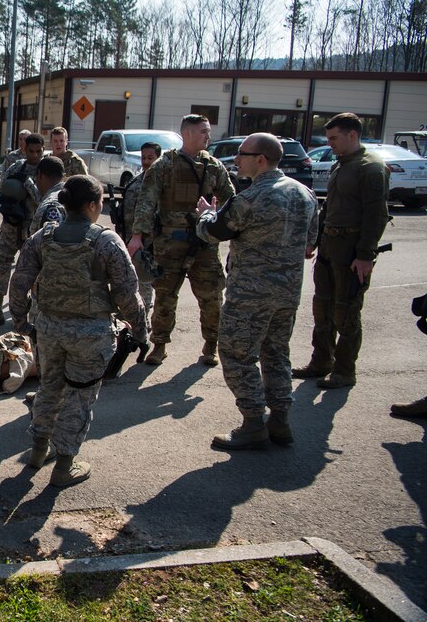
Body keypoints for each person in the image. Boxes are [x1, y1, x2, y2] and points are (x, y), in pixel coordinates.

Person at [10, 175, 147, 488]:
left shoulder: (42, 238)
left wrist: (22, 323)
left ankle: (37, 451)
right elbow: (128, 292)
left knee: (49, 388)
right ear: (92, 205)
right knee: (80, 397)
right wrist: (140, 330)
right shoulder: (105, 240)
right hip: (90, 334)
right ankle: (64, 466)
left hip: (47, 329)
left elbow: (19, 284)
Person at [194, 133, 319, 449]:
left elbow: (212, 233)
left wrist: (206, 214)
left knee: (237, 355)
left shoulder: (251, 198)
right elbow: (310, 243)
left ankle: (252, 424)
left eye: (241, 154)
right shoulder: (305, 194)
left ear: (260, 159)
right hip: (288, 294)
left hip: (251, 295)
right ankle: (280, 421)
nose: (236, 160)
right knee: (276, 354)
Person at [127, 114, 235, 366]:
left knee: (211, 297)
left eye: (208, 132)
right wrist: (137, 237)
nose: (208, 137)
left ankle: (211, 345)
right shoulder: (165, 165)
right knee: (165, 295)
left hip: (204, 243)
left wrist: (224, 224)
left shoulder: (214, 167)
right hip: (171, 242)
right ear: (186, 134)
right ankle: (160, 345)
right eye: (203, 132)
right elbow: (146, 200)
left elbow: (232, 201)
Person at [292, 112, 390, 389]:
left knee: (346, 312)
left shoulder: (370, 168)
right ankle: (321, 361)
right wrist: (316, 239)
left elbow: (376, 215)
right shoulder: (342, 164)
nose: (330, 143)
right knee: (322, 307)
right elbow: (330, 207)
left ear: (352, 135)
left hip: (352, 250)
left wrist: (365, 255)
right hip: (330, 247)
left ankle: (344, 371)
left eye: (334, 138)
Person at [0, 133, 44, 330]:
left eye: (38, 151)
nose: (34, 155)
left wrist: (28, 184)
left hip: (33, 229)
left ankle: (31, 314)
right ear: (24, 150)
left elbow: (45, 200)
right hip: (11, 226)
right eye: (30, 151)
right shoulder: (17, 166)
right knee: (1, 266)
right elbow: (2, 187)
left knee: (31, 272)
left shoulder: (46, 171)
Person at [121, 142, 163, 328]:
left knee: (145, 284)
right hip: (130, 239)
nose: (146, 162)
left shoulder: (161, 183)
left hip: (149, 243)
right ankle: (135, 320)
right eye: (143, 157)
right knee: (131, 282)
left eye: (150, 158)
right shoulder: (137, 180)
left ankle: (143, 323)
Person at [29, 156, 67, 234]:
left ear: (39, 175)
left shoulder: (50, 206)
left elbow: (48, 245)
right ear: (63, 176)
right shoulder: (76, 197)